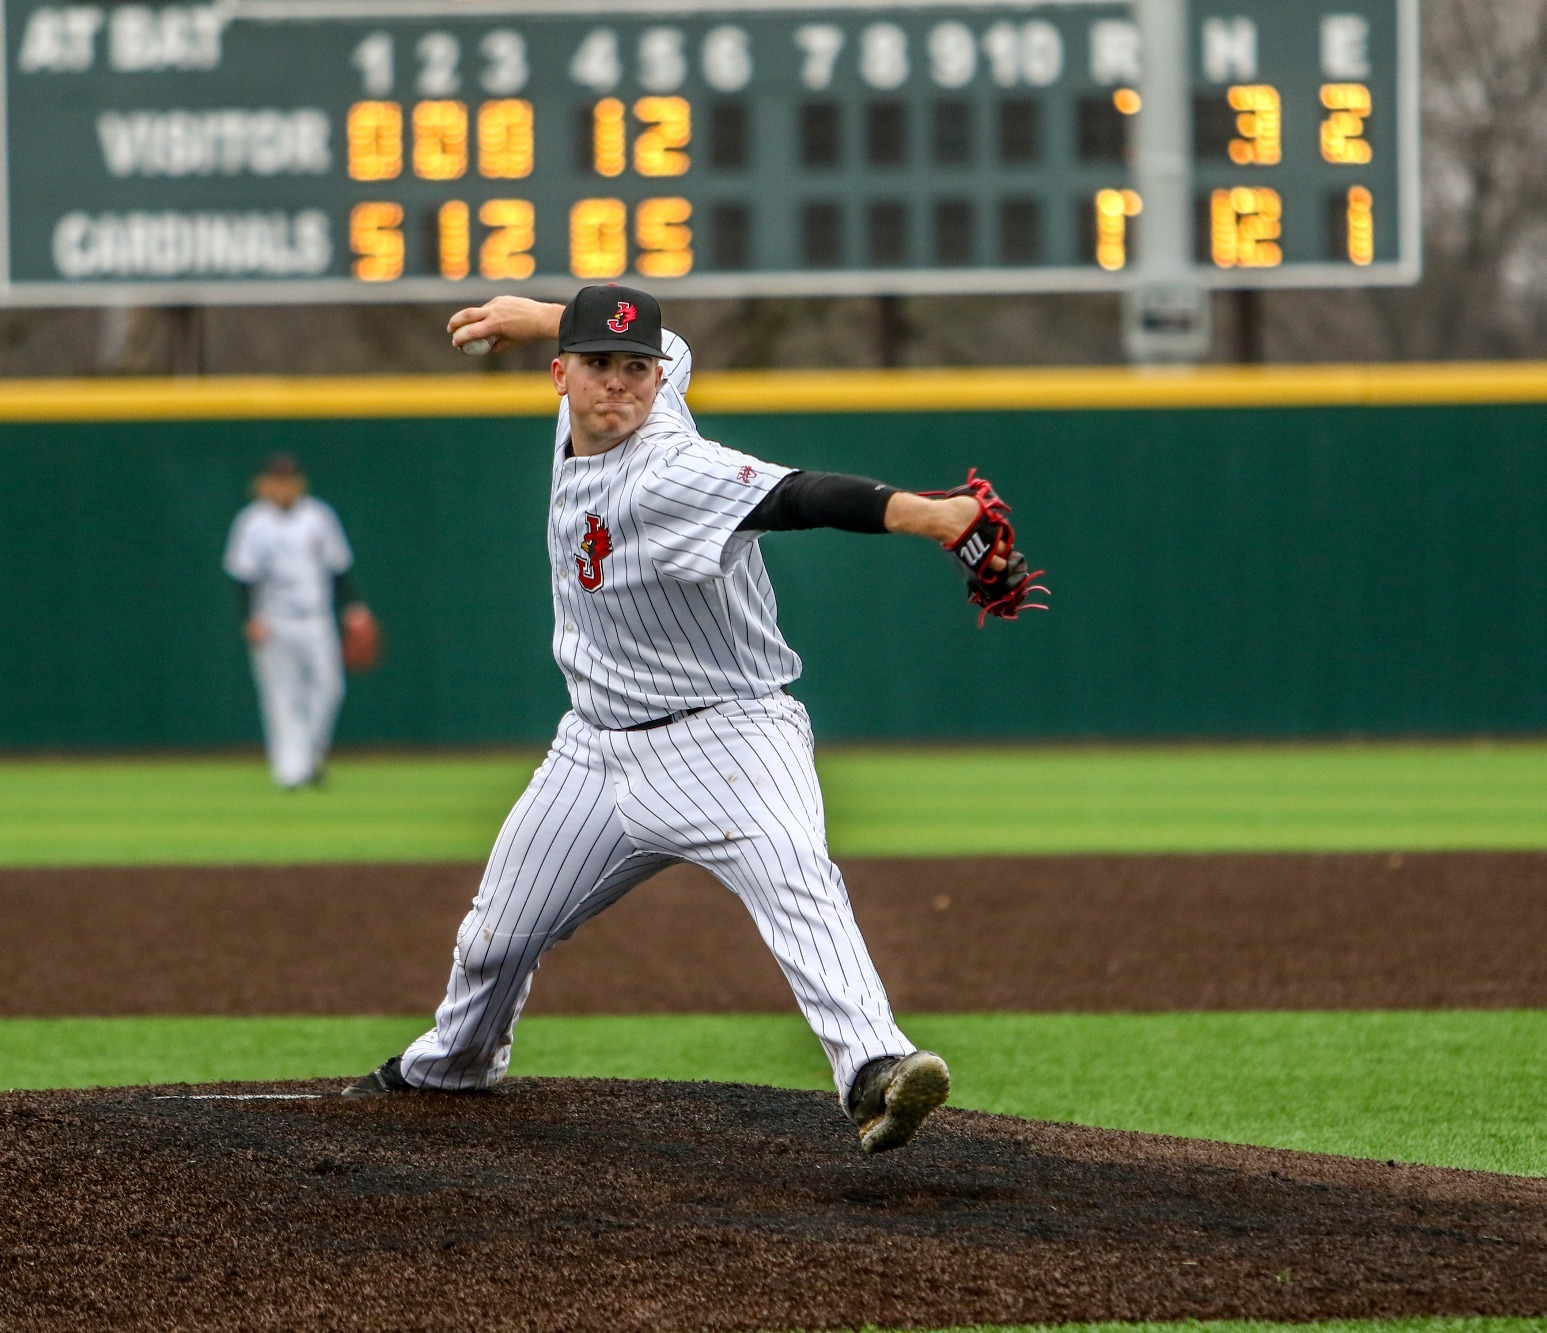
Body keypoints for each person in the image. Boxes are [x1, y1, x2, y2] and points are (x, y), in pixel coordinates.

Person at [344, 286, 1038, 1155]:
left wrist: (932, 516)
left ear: (653, 381)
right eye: (599, 363)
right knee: (494, 936)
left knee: (797, 883)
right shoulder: (621, 393)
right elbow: (661, 335)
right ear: (559, 374)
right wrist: (539, 315)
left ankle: (876, 1067)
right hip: (594, 750)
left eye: (637, 370)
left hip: (730, 738)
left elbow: (803, 496)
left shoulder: (670, 466)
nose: (623, 384)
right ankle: (453, 1063)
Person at [222, 453, 372, 790]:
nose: (281, 486)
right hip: (274, 621)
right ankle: (291, 771)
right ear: (263, 484)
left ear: (299, 482)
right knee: (282, 698)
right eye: (275, 479)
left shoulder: (318, 517)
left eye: (287, 479)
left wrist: (355, 607)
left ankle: (310, 755)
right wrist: (249, 618)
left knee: (330, 690)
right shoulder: (252, 522)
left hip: (316, 619)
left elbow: (338, 568)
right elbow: (242, 577)